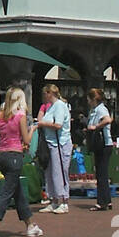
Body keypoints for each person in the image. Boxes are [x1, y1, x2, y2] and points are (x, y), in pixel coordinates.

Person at [0, 87, 38, 237]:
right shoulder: (20, 116)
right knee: (6, 192)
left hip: (2, 156)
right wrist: (32, 130)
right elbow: (26, 141)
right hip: (14, 155)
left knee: (16, 190)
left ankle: (30, 225)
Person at [35, 83, 72, 214]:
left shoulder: (60, 106)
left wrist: (42, 123)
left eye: (45, 94)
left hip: (60, 144)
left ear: (50, 93)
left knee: (59, 172)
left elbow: (58, 125)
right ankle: (54, 200)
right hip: (50, 143)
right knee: (50, 172)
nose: (44, 96)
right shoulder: (51, 107)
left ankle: (63, 200)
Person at [85, 87, 114, 211]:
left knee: (101, 173)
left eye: (89, 99)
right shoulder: (94, 110)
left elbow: (108, 120)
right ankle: (106, 200)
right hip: (100, 145)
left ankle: (102, 202)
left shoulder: (101, 109)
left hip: (104, 144)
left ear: (93, 99)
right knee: (102, 173)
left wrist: (96, 127)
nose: (87, 101)